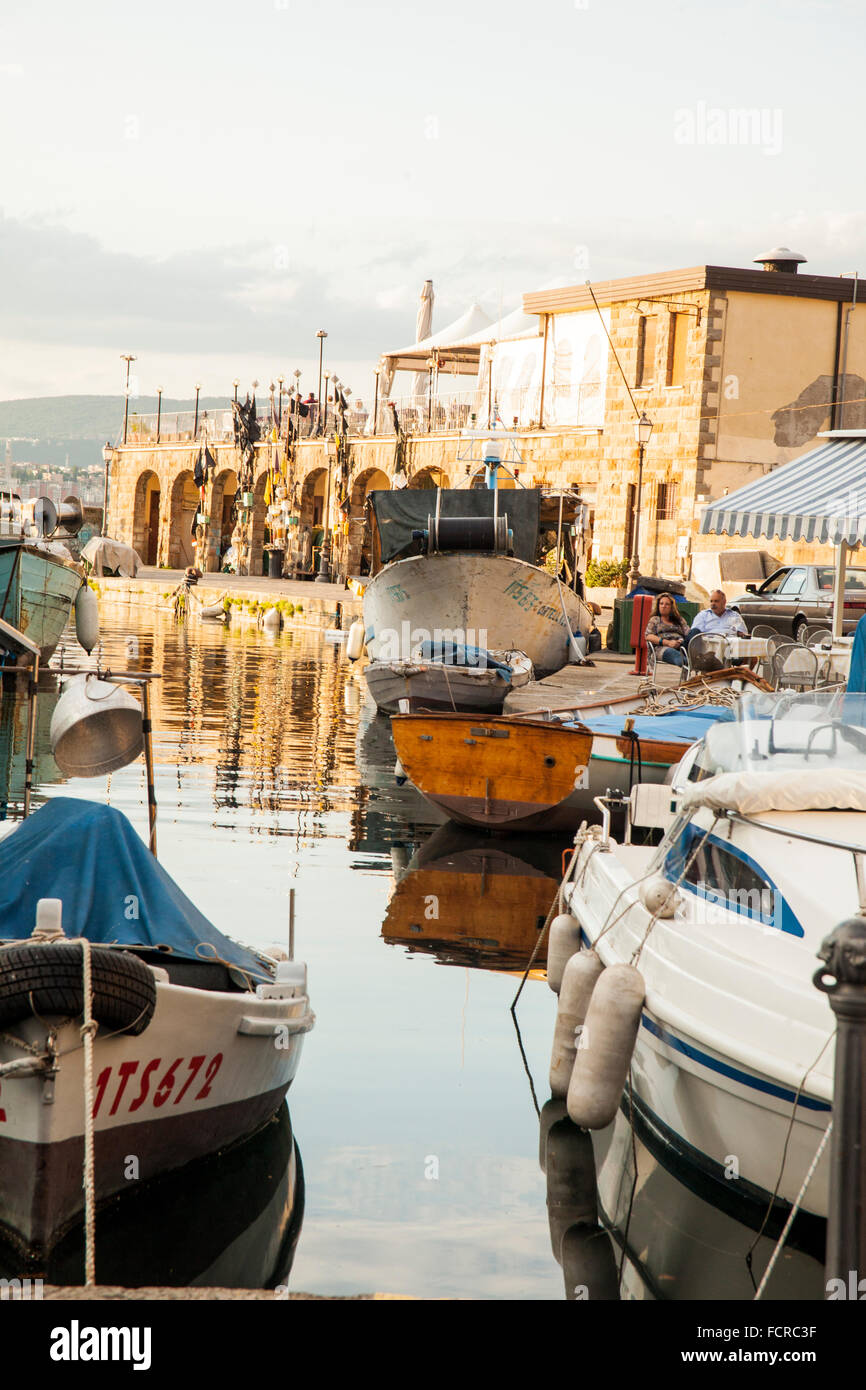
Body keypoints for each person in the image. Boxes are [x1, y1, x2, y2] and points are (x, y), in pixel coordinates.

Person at [645, 592, 690, 667]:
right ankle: (687, 662)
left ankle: (693, 661)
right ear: (658, 606)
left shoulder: (679, 620)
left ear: (672, 607)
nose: (663, 606)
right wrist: (668, 643)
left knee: (695, 631)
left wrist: (680, 642)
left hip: (681, 646)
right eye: (661, 604)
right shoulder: (655, 619)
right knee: (675, 654)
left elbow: (688, 633)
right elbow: (648, 636)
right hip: (663, 648)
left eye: (667, 604)